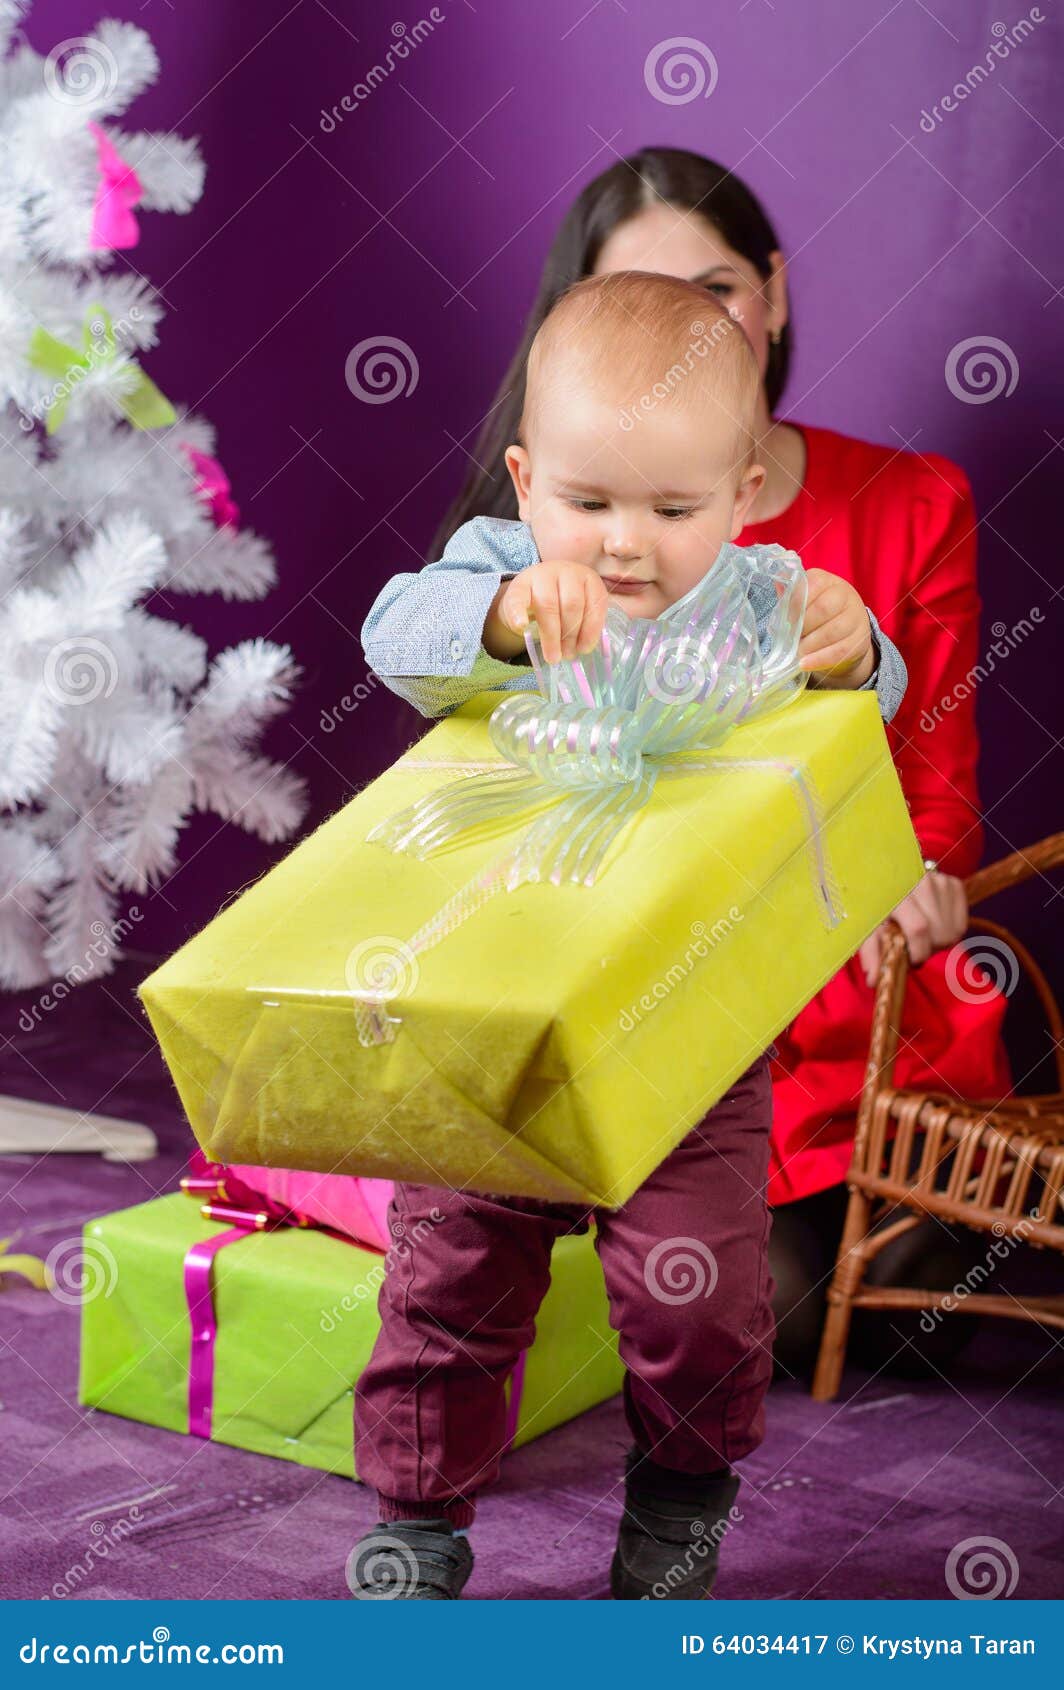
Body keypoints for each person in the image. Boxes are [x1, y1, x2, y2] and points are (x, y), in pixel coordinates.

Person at [350, 270, 908, 1600]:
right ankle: (417, 1515)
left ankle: (681, 1493)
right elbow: (394, 632)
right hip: (496, 1012)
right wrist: (496, 617)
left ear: (745, 497)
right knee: (450, 1272)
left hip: (686, 1022)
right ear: (526, 478)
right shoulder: (499, 571)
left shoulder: (763, 599)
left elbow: (874, 698)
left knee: (699, 1295)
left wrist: (853, 643)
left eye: (674, 508)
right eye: (588, 502)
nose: (622, 544)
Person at [421, 147, 1012, 1373]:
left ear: (774, 294)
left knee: (831, 1291)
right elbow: (419, 654)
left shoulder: (839, 538)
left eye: (716, 293)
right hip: (609, 941)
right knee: (673, 1271)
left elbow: (925, 780)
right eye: (641, 304)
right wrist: (506, 616)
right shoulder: (543, 548)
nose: (683, 340)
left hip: (817, 945)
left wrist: (860, 673)